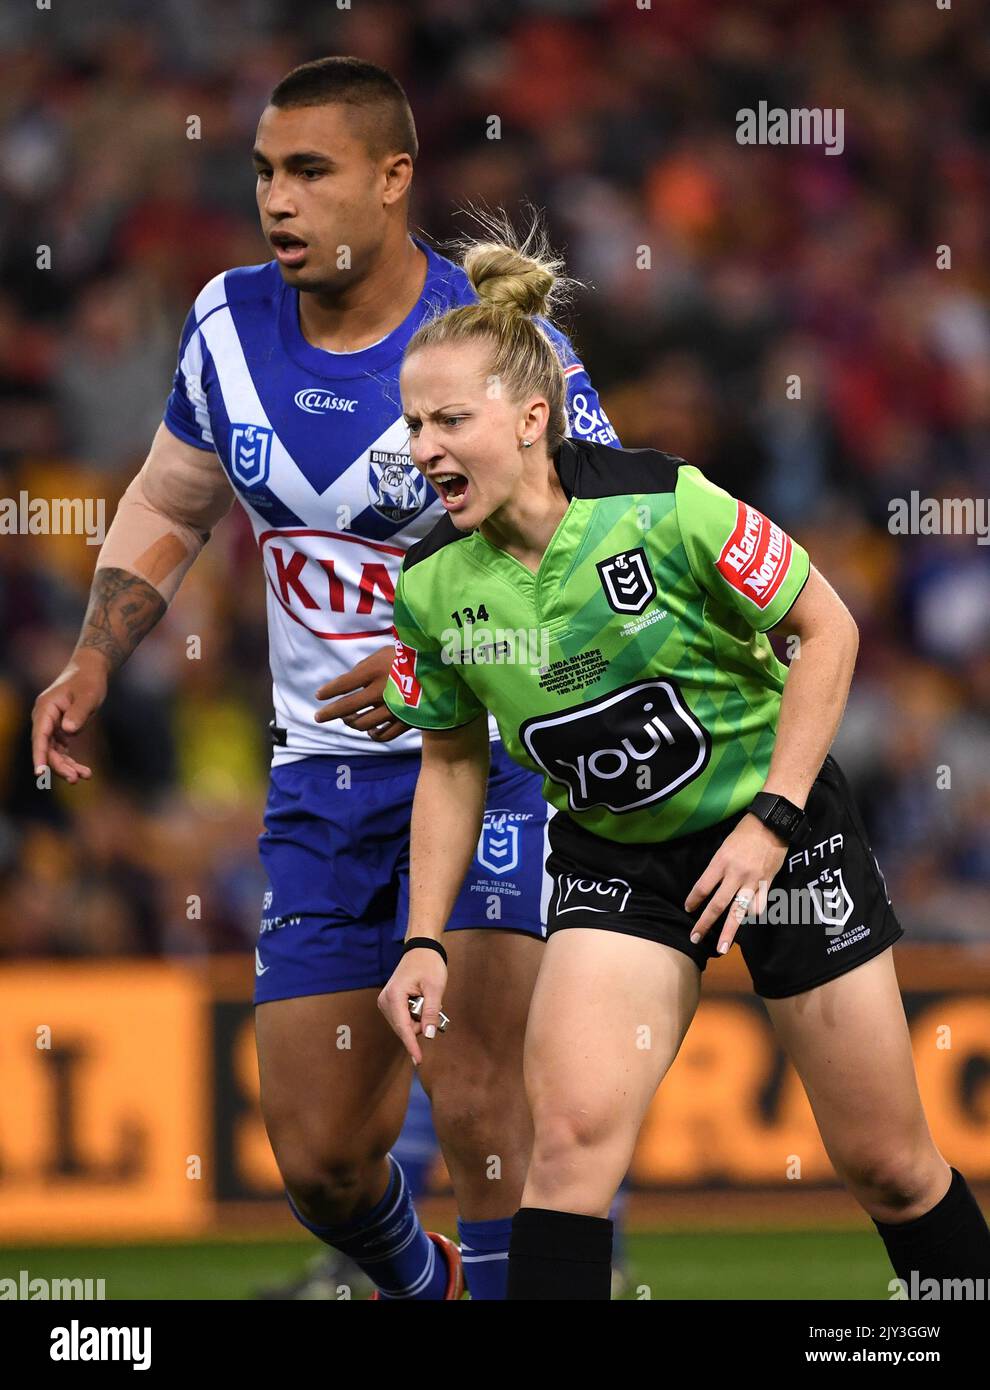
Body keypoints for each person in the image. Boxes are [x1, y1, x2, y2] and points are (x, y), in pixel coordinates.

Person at [30, 57, 619, 1301]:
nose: (277, 202)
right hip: (321, 786)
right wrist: (93, 651)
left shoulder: (505, 352)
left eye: (309, 172)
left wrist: (429, 659)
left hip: (492, 766)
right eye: (263, 174)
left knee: (472, 1086)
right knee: (321, 1162)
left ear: (393, 180)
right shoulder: (224, 326)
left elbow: (604, 557)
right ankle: (435, 1287)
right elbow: (172, 498)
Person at [377, 227, 990, 1300]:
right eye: (414, 422)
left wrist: (775, 821)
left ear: (530, 419)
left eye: (449, 419)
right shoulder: (430, 585)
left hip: (781, 836)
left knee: (889, 1166)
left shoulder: (667, 504)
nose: (424, 447)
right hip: (620, 861)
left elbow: (829, 630)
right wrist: (424, 933)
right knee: (564, 1153)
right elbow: (451, 763)